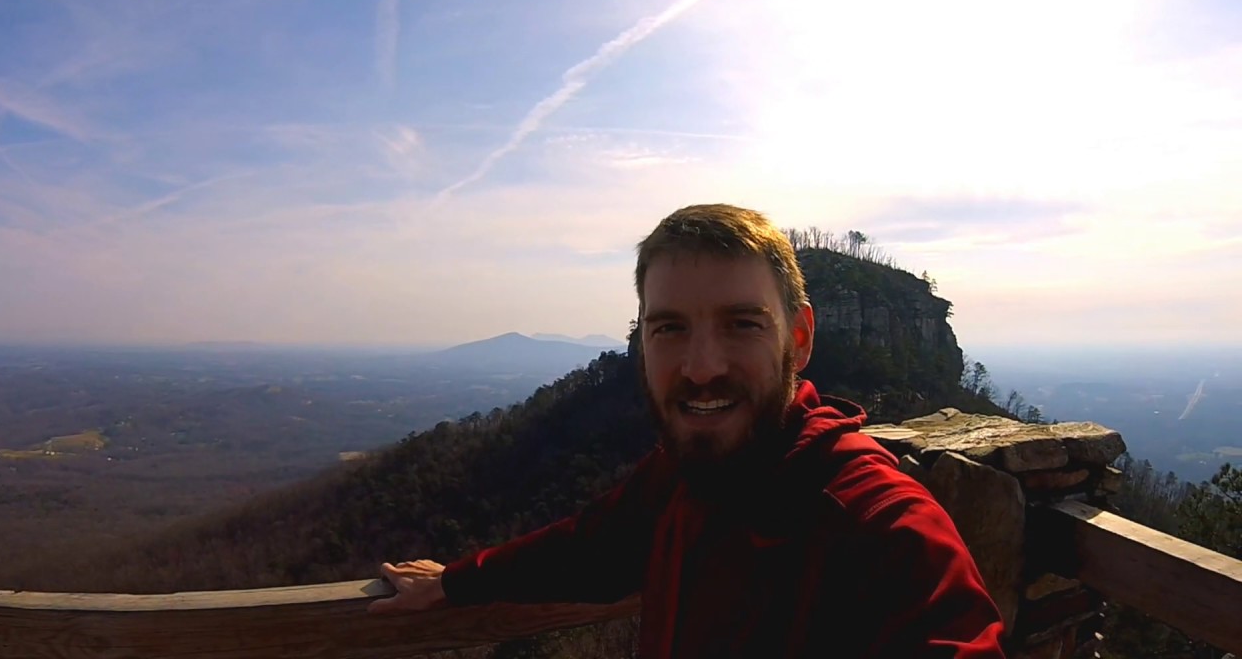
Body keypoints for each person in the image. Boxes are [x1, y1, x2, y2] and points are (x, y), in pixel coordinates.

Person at [370, 203, 1007, 658]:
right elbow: (591, 547)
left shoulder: (880, 529)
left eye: (742, 324)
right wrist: (457, 580)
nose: (701, 368)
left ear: (802, 338)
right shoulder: (685, 475)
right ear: (641, 344)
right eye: (670, 328)